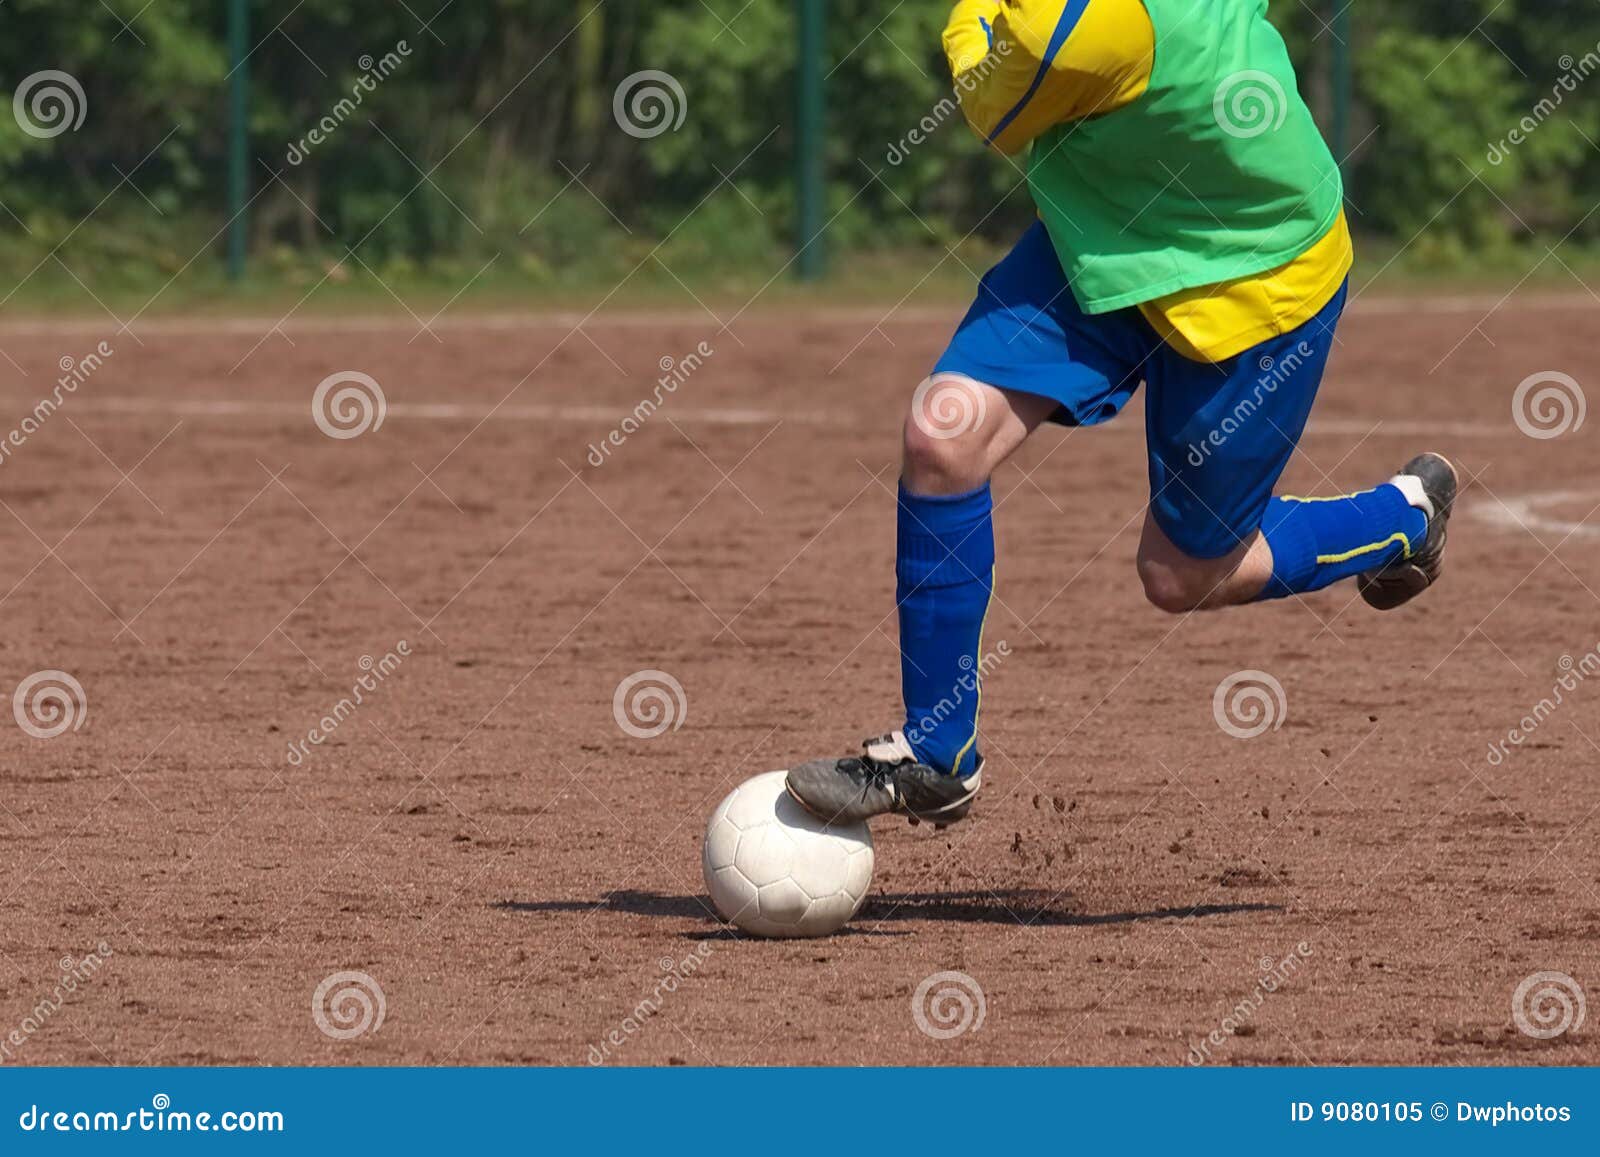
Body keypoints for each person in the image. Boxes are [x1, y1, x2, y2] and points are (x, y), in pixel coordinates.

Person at [785, 0, 1457, 827]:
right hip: (1101, 236)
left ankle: (1400, 518)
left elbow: (987, 97)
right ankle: (937, 753)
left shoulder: (1081, 24)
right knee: (943, 434)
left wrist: (971, 17)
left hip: (1254, 278)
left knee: (1183, 576)